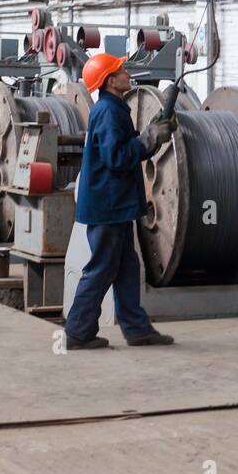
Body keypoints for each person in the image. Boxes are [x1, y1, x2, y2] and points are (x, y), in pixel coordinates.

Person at [64, 52, 176, 350]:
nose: (127, 72)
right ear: (110, 81)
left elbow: (121, 148)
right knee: (102, 268)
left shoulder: (112, 108)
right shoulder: (109, 112)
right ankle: (77, 331)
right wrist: (149, 138)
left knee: (127, 267)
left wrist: (150, 134)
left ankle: (137, 329)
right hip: (108, 206)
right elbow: (117, 158)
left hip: (113, 205)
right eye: (121, 70)